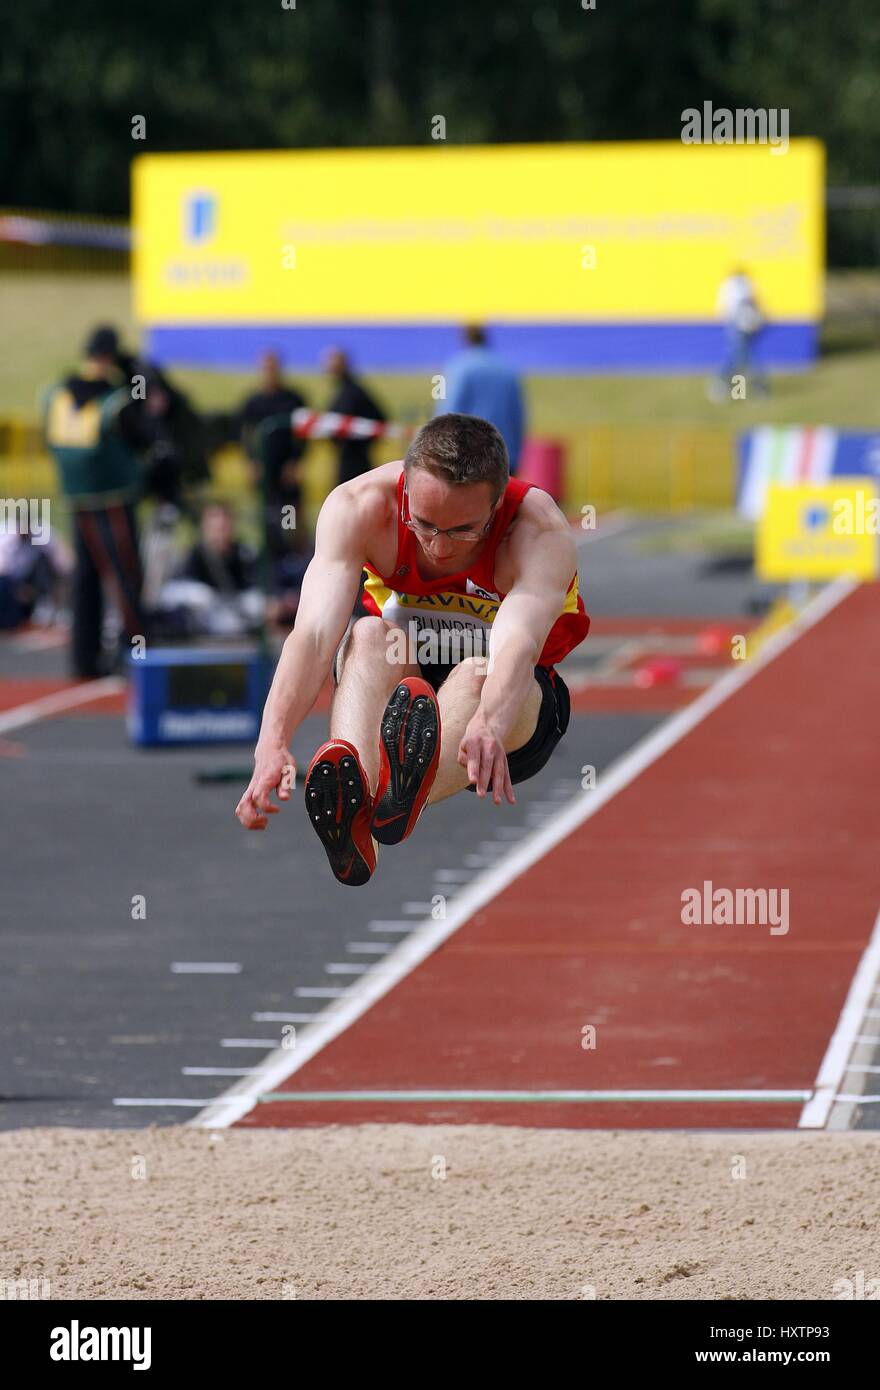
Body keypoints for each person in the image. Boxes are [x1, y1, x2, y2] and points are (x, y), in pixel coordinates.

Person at [236, 413, 590, 888]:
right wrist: (272, 741)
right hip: (407, 681)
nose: (439, 548)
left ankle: (390, 802)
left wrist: (490, 722)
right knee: (366, 637)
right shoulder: (359, 506)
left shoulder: (536, 530)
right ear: (404, 492)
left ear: (497, 504)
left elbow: (518, 643)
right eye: (423, 524)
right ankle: (362, 807)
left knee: (477, 672)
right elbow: (314, 634)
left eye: (463, 530)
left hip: (510, 703)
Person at [42, 326, 153, 678]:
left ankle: (83, 656)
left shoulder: (55, 394)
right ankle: (134, 655)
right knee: (124, 577)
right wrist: (133, 370)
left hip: (76, 499)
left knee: (85, 579)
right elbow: (143, 433)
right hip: (113, 498)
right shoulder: (116, 399)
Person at [238, 350, 309, 560]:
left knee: (291, 516)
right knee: (267, 517)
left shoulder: (293, 399)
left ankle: (296, 557)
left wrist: (296, 462)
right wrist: (251, 463)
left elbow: (303, 434)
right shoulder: (254, 402)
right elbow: (245, 435)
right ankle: (271, 558)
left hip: (287, 472)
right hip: (265, 471)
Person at [157, 501, 262, 637]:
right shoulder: (195, 555)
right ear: (205, 528)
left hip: (239, 620)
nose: (220, 533)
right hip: (205, 624)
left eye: (224, 527)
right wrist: (200, 595)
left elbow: (255, 592)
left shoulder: (244, 554)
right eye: (215, 528)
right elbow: (169, 593)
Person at [437, 325, 525, 474]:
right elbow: (517, 414)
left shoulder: (459, 367)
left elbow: (448, 412)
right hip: (504, 453)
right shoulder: (507, 368)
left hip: (469, 456)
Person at [322, 347, 386, 487]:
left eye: (334, 362)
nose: (329, 367)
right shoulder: (340, 391)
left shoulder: (354, 392)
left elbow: (380, 419)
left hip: (356, 460)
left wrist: (362, 440)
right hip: (345, 457)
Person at [713, 267, 768, 398]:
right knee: (742, 355)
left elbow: (722, 307)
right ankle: (739, 388)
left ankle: (732, 387)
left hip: (736, 323)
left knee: (741, 355)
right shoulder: (748, 283)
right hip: (749, 324)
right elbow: (757, 303)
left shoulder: (728, 284)